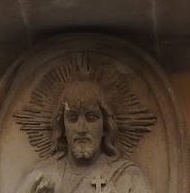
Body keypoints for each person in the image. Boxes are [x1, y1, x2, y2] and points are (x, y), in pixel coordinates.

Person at [14, 79, 153, 193]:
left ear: (105, 126)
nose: (81, 129)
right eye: (72, 118)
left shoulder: (128, 178)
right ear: (62, 127)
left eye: (91, 118)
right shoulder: (40, 177)